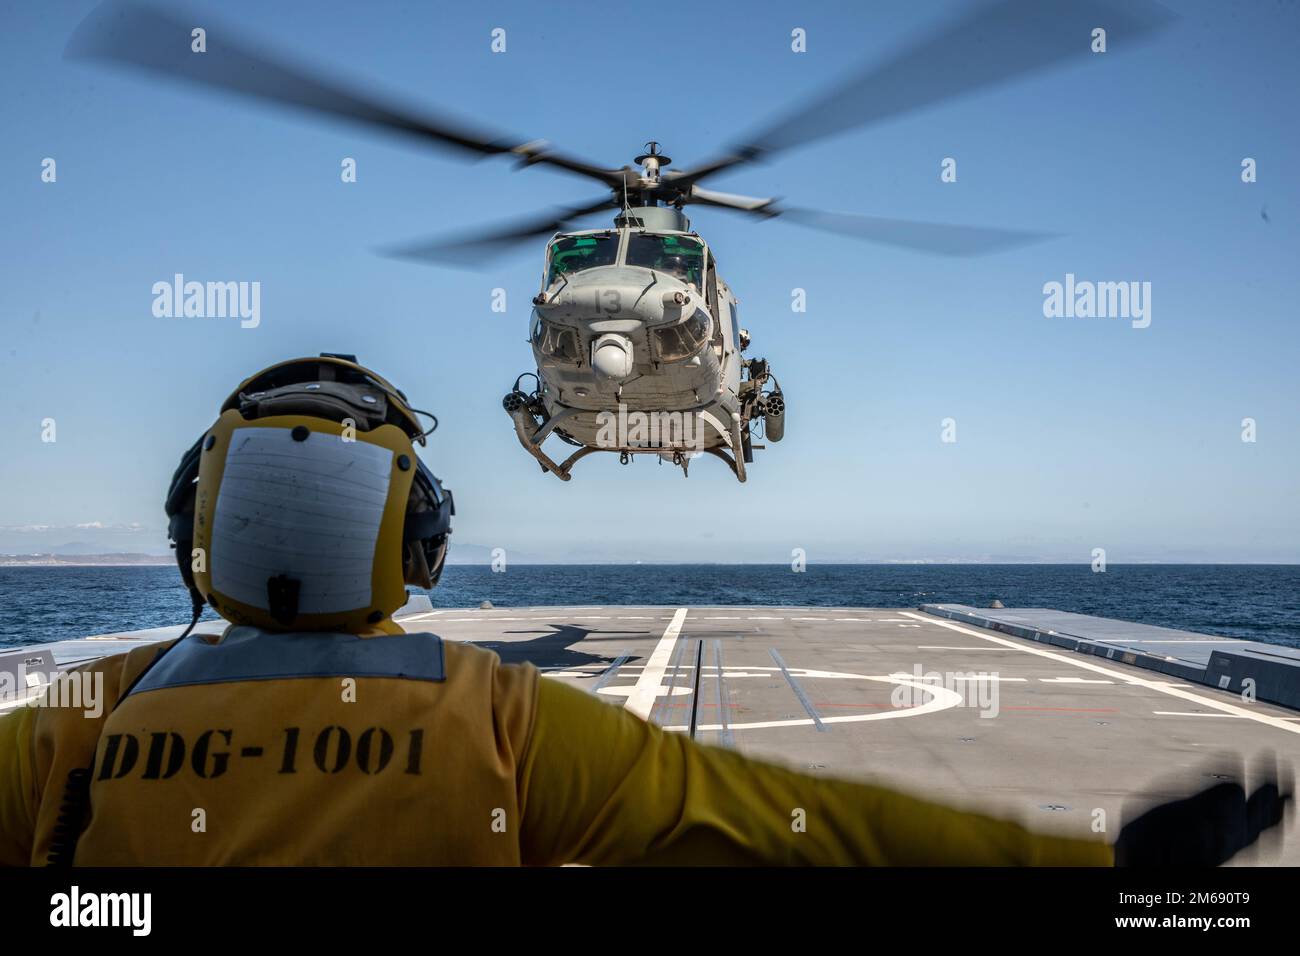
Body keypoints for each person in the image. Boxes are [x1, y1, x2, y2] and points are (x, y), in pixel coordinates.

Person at [0, 355, 1288, 866]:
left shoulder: (79, 718)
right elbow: (814, 834)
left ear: (197, 529)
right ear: (416, 541)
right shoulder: (489, 721)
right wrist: (1109, 868)